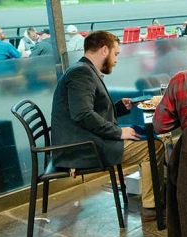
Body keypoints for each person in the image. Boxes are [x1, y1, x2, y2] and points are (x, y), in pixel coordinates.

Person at [50, 31, 164, 221]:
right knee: (154, 147)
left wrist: (118, 108)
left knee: (152, 137)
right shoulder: (81, 74)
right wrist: (118, 132)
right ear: (104, 50)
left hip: (86, 139)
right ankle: (152, 206)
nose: (117, 59)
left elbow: (89, 111)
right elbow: (82, 114)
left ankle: (154, 197)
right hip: (84, 148)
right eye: (116, 54)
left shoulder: (83, 70)